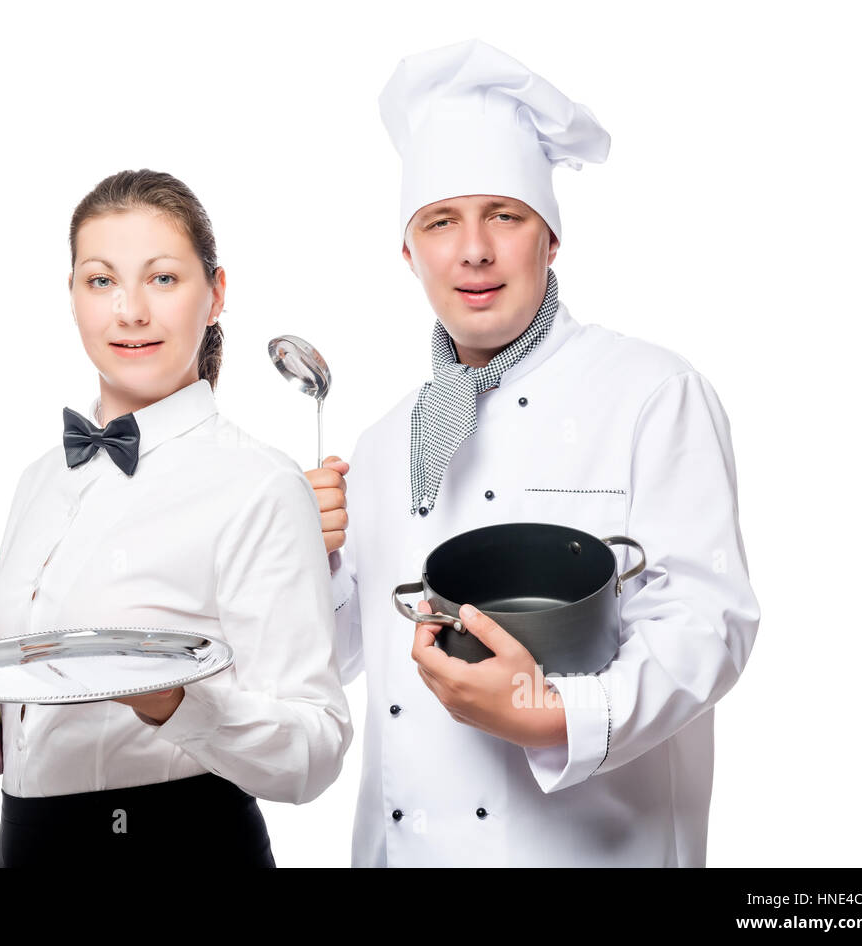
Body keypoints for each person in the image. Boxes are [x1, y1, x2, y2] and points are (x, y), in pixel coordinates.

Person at [309, 39, 760, 867]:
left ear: (551, 239)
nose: (473, 250)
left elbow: (710, 624)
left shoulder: (652, 394)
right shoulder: (382, 444)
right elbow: (342, 656)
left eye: (504, 216)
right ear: (408, 253)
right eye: (440, 221)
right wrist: (310, 554)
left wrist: (553, 712)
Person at [0, 169, 351, 867]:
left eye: (163, 279)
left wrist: (175, 702)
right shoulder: (39, 479)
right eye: (101, 281)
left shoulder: (260, 483)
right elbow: (28, 720)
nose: (129, 311)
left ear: (215, 294)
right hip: (25, 846)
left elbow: (317, 746)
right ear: (71, 296)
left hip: (183, 845)